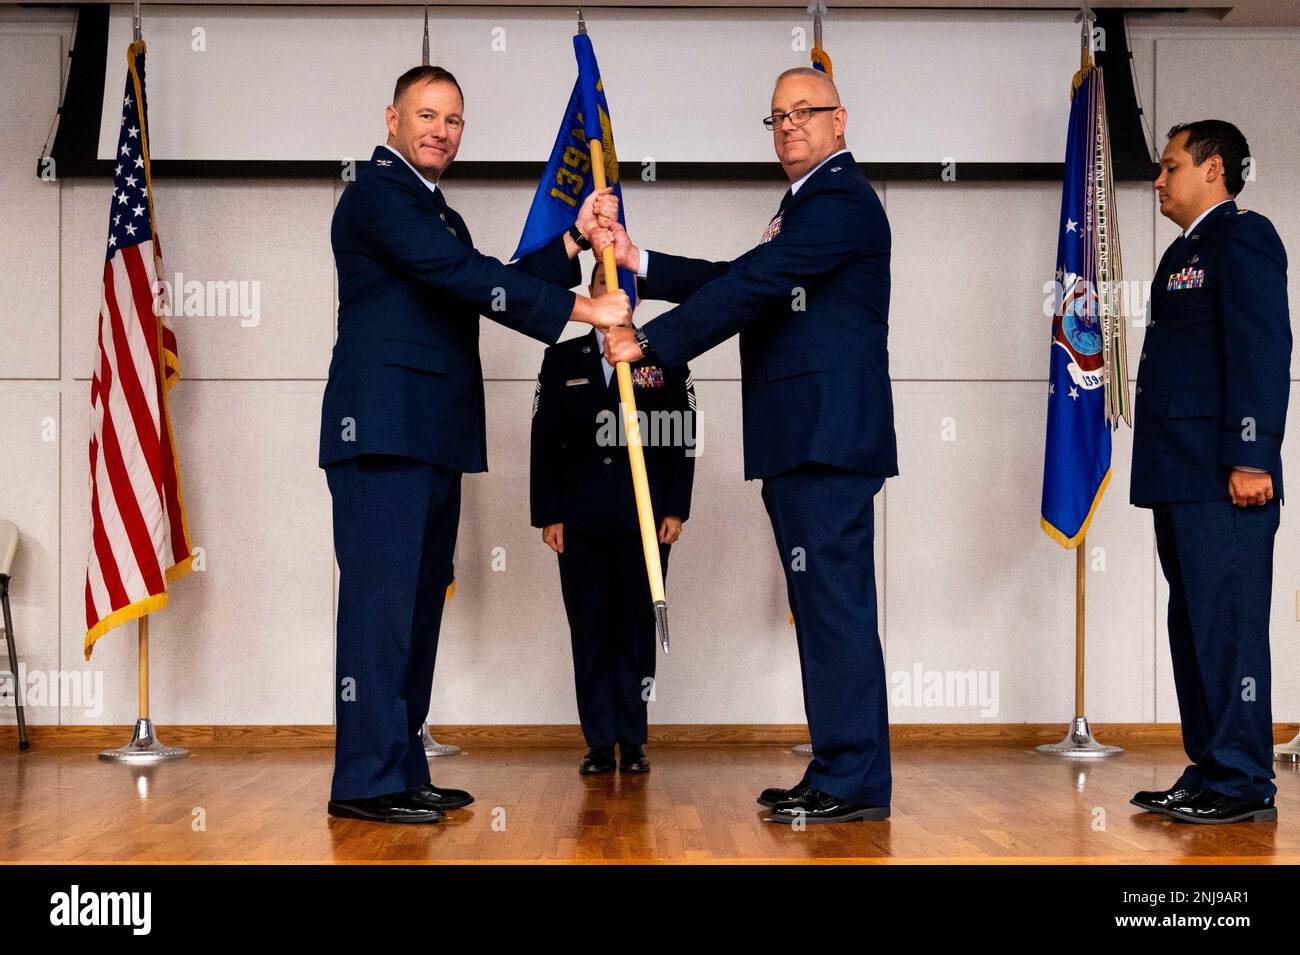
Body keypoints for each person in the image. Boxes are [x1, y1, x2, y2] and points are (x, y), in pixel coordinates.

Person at [320, 65, 629, 824]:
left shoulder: (438, 213)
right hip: (382, 435)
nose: (440, 131)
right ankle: (364, 779)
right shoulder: (376, 197)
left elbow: (489, 278)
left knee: (417, 612)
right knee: (380, 612)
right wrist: (586, 309)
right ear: (390, 117)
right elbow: (465, 277)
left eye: (454, 120)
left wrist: (574, 241)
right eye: (427, 115)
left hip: (430, 436)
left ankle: (400, 765)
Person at [600, 67, 896, 824]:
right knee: (823, 611)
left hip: (827, 439)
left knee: (836, 612)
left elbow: (759, 283)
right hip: (801, 439)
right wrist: (640, 263)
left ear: (842, 120)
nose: (790, 125)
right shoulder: (801, 208)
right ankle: (838, 766)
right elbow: (745, 276)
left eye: (806, 111)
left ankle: (854, 779)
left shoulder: (842, 200)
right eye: (777, 117)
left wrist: (651, 342)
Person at [1129, 120, 1290, 824]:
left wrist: (1252, 454)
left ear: (1213, 168)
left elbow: (1261, 347)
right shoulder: (1184, 253)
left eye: (1168, 167)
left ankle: (1246, 778)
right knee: (1194, 626)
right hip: (1181, 476)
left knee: (1230, 627)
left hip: (1227, 478)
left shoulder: (1243, 237)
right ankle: (1212, 764)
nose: (1158, 181)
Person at [530, 261, 697, 776]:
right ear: (590, 294)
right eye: (606, 284)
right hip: (579, 519)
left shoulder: (664, 359)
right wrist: (549, 513)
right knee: (590, 627)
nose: (616, 295)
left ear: (637, 303)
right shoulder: (561, 360)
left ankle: (634, 737)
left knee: (635, 629)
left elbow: (683, 436)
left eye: (626, 289)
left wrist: (675, 508)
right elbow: (544, 439)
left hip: (642, 522)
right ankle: (600, 742)